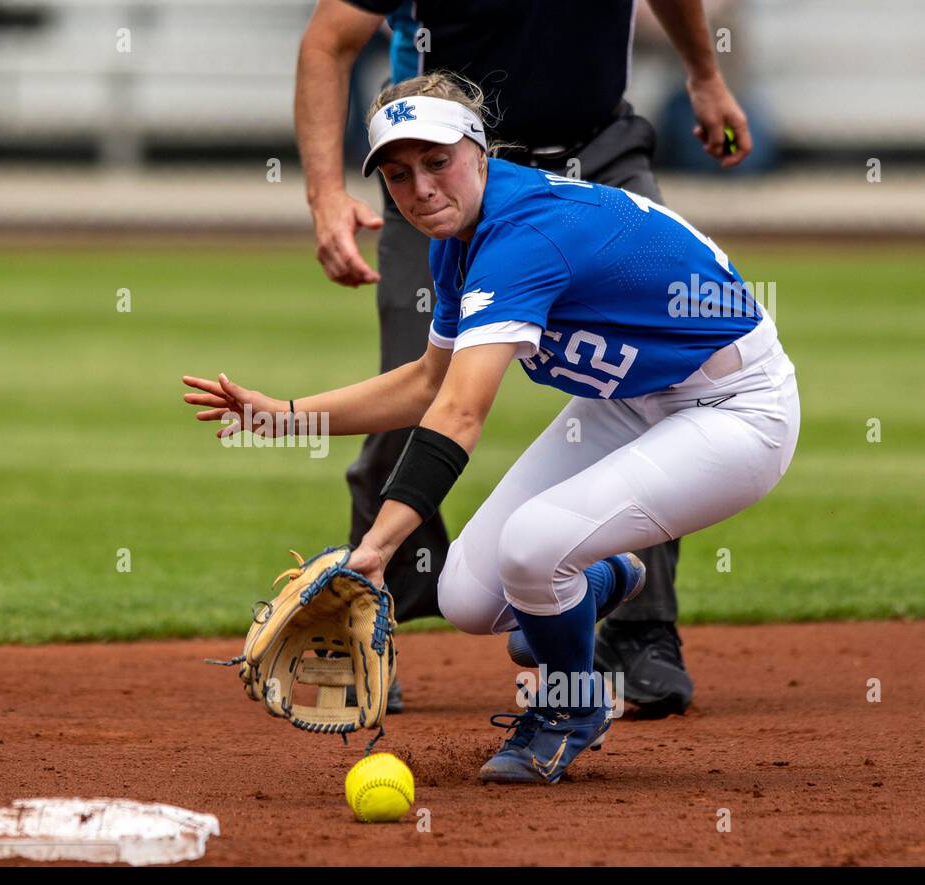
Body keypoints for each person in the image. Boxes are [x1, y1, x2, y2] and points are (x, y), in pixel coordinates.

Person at [183, 73, 797, 783]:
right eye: (398, 173)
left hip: (735, 410)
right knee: (469, 597)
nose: (420, 189)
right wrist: (288, 417)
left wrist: (375, 549)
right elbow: (426, 384)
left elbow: (461, 413)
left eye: (437, 162)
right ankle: (599, 582)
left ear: (480, 150)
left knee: (535, 551)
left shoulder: (525, 233)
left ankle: (572, 707)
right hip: (629, 403)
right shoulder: (459, 239)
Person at [295, 0, 754, 716]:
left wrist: (703, 75)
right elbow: (329, 42)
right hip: (441, 164)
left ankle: (640, 634)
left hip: (596, 150)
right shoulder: (431, 185)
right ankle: (370, 620)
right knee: (413, 400)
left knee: (652, 381)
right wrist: (325, 195)